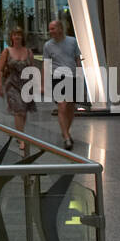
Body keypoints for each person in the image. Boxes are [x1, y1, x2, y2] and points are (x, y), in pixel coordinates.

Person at [42, 20, 82, 151]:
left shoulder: (72, 41)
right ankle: (66, 137)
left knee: (70, 107)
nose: (51, 31)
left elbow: (77, 59)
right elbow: (46, 64)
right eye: (50, 29)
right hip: (57, 77)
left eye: (53, 28)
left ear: (60, 28)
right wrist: (43, 83)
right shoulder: (48, 45)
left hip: (72, 76)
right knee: (62, 106)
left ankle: (66, 131)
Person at [0, 27, 35, 153]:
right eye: (15, 34)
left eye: (19, 34)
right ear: (11, 37)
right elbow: (0, 69)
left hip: (26, 84)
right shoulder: (7, 51)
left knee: (23, 111)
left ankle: (20, 134)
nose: (17, 37)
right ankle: (22, 138)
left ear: (22, 37)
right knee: (18, 111)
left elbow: (33, 69)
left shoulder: (28, 52)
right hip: (12, 84)